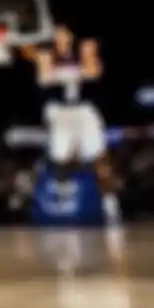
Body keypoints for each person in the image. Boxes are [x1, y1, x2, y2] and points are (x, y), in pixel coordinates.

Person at [34, 24, 119, 224]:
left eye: (64, 34)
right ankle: (63, 194)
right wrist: (75, 73)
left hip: (83, 109)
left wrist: (67, 73)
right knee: (62, 159)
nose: (61, 38)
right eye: (57, 35)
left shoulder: (85, 50)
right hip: (59, 110)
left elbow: (94, 72)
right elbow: (44, 78)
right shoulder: (45, 54)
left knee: (99, 158)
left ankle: (110, 204)